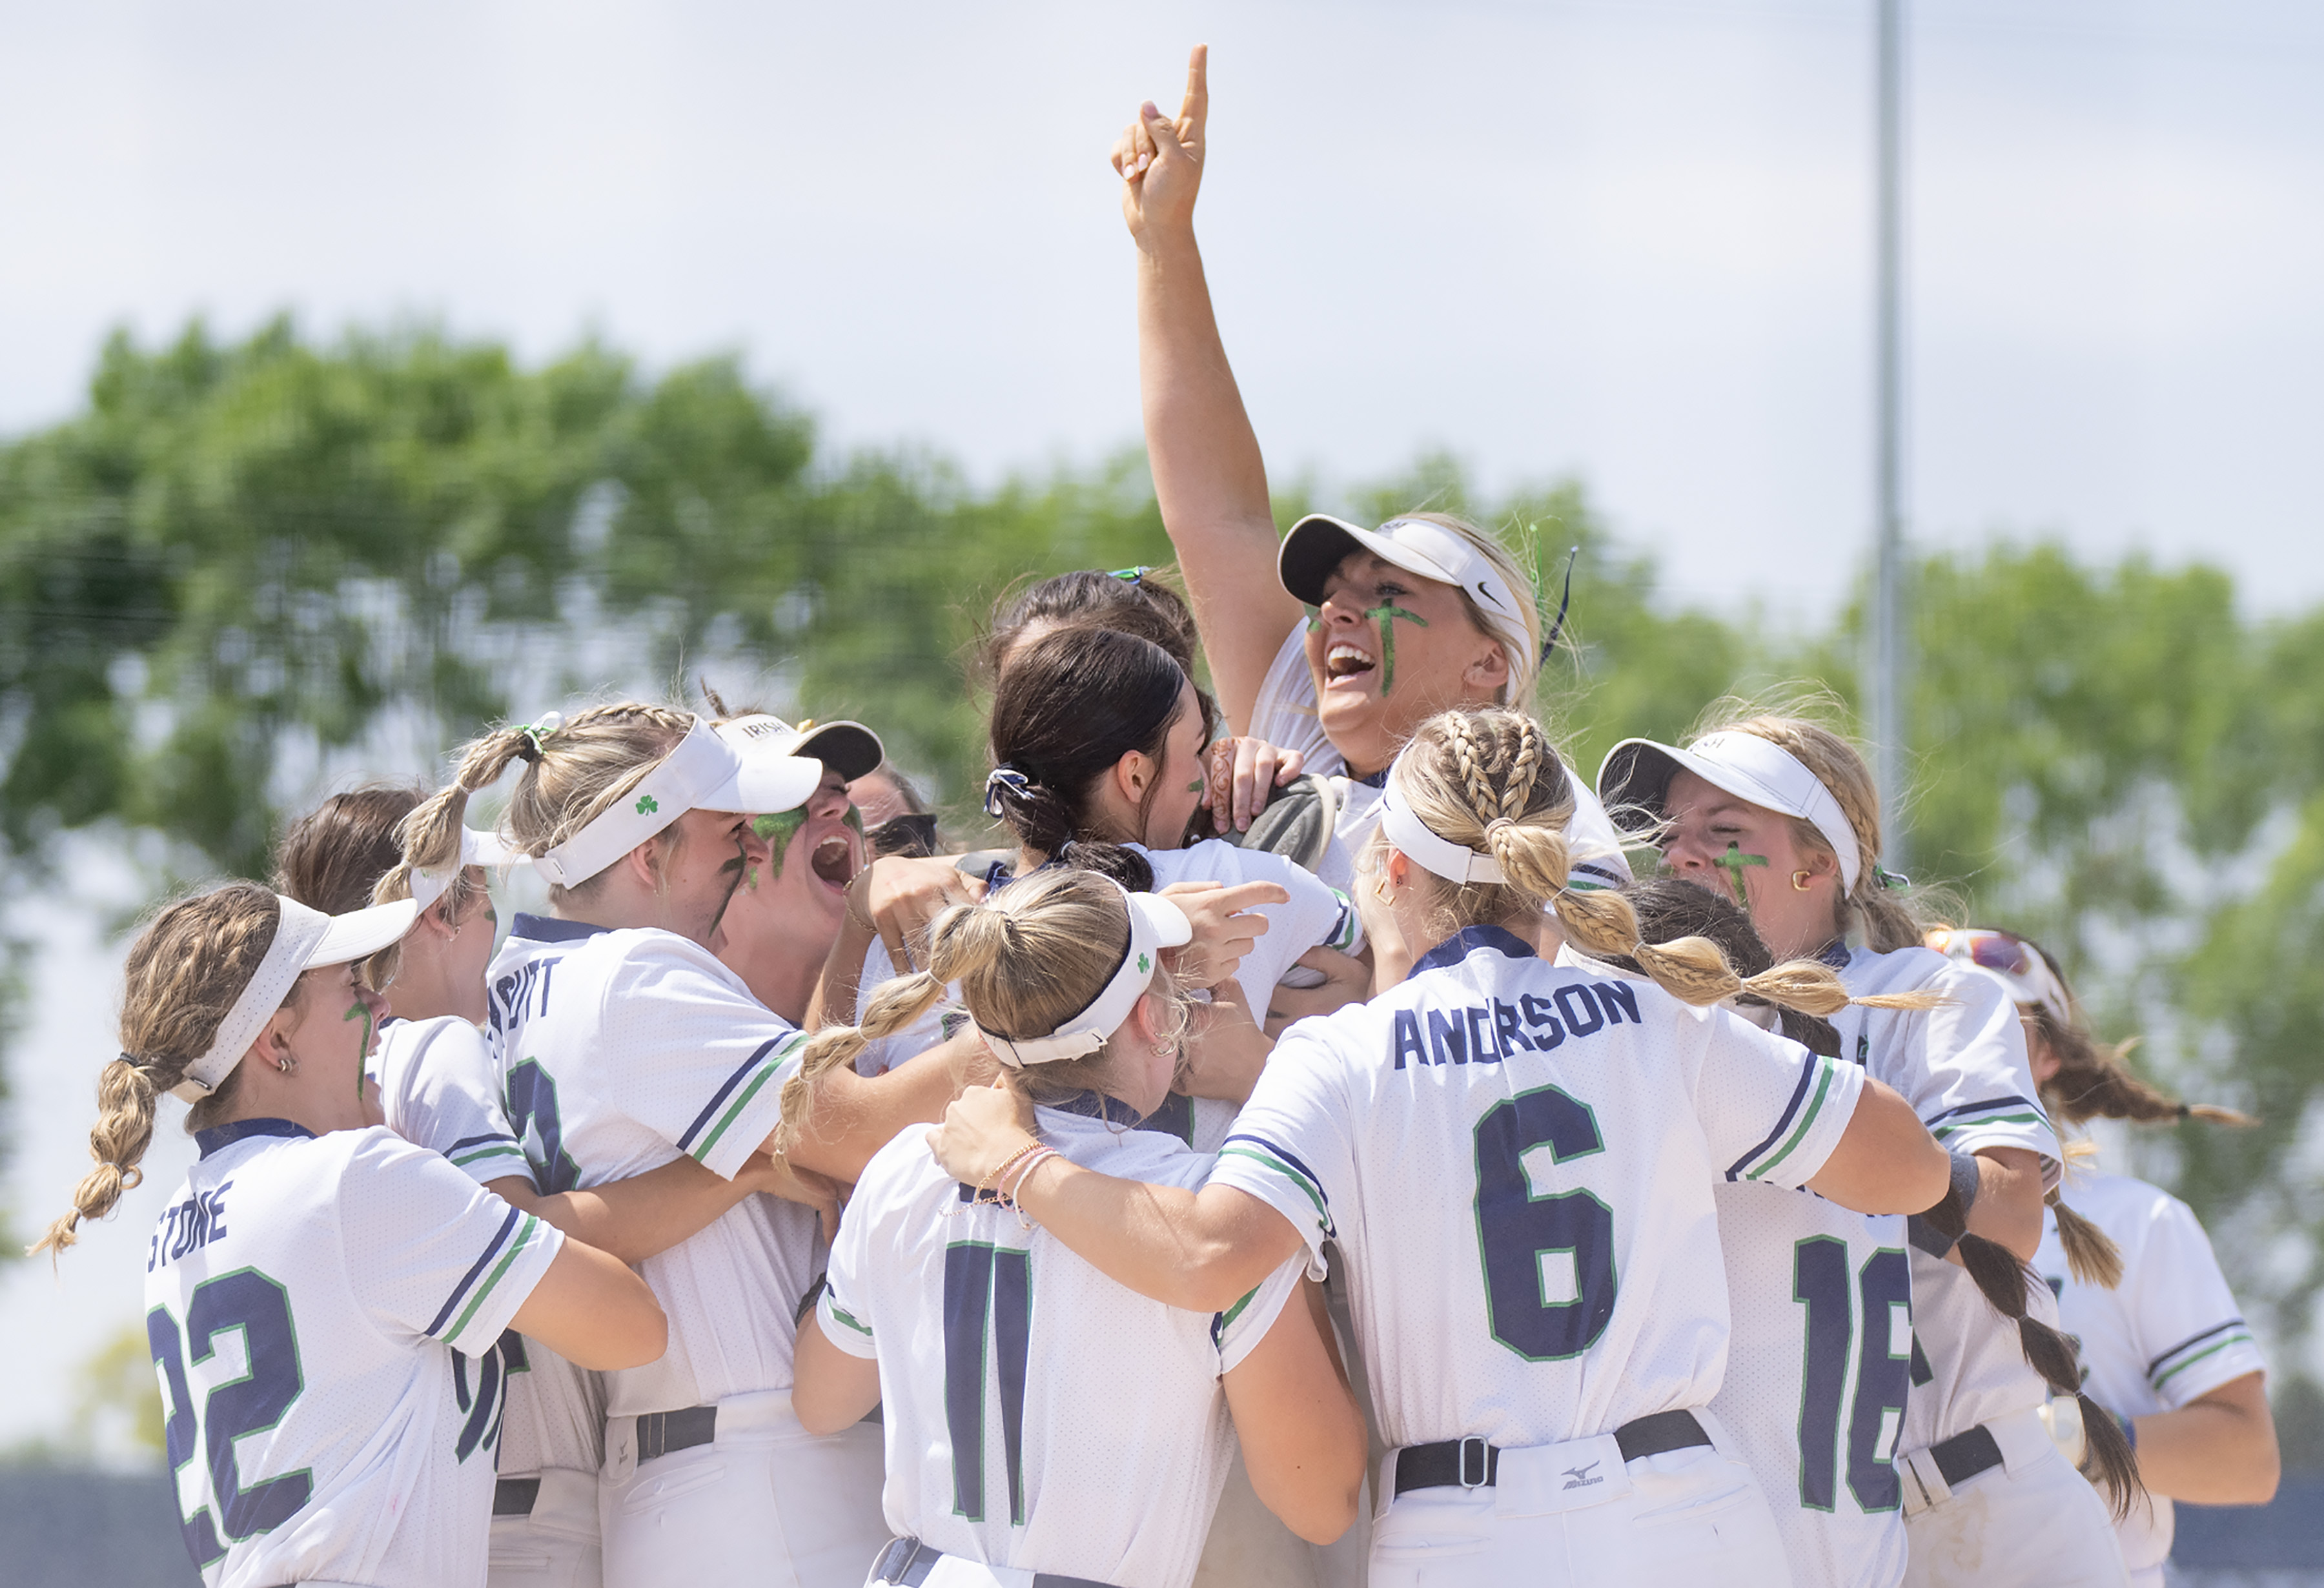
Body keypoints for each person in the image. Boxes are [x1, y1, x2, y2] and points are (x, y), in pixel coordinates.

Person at [932, 706, 1953, 1588]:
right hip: (1684, 1515)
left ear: (1395, 864)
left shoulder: (1342, 1055)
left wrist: (1023, 1164)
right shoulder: (1648, 1016)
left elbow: (1208, 1256)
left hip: (1468, 1531)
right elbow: (1909, 1170)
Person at [396, 702, 984, 1588]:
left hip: (685, 1477)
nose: (748, 850)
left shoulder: (522, 981)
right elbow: (863, 1133)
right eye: (726, 830)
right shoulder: (634, 971)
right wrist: (1056, 1003)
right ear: (645, 852)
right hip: (768, 1479)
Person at [1600, 709, 2134, 1587]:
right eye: (1669, 834)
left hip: (1980, 1507)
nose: (1682, 853)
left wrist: (1872, 1157)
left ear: (1819, 863)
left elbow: (2010, 1218)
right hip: (1794, 1526)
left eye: (1723, 831)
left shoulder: (1926, 995)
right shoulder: (1662, 1024)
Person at [1101, 48, 1630, 904]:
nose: (1336, 614)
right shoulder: (1301, 745)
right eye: (1331, 599)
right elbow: (1218, 519)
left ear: (1487, 665)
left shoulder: (1550, 818)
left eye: (1387, 595)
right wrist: (1164, 240)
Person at [32, 882, 665, 1588]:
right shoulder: (354, 1179)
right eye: (352, 988)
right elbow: (634, 1326)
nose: (381, 1004)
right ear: (276, 1040)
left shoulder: (175, 1226)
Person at [282, 785, 810, 1588]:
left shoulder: (293, 1112)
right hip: (524, 1515)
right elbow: (523, 1231)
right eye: (481, 896)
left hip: (392, 1522)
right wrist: (742, 1165)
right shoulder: (434, 1055)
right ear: (439, 914)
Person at [788, 868, 1368, 1588]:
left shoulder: (907, 1163)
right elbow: (1321, 1500)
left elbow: (821, 1400)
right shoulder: (1207, 1210)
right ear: (1153, 1019)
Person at [829, 627, 1363, 1147]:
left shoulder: (919, 923)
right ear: (1134, 777)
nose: (1206, 774)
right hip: (1178, 1228)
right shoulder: (1238, 883)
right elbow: (1392, 976)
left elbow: (824, 1131)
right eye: (1198, 748)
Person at [1932, 928, 2279, 1588]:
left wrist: (2063, 1434)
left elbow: (2249, 1457)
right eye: (1940, 1015)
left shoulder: (2138, 1223)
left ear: (2050, 1055)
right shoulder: (1854, 1209)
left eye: (1996, 1022)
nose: (1965, 1041)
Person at [705, 711, 886, 1024]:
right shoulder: (663, 1017)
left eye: (838, 788)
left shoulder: (927, 997)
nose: (839, 806)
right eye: (788, 792)